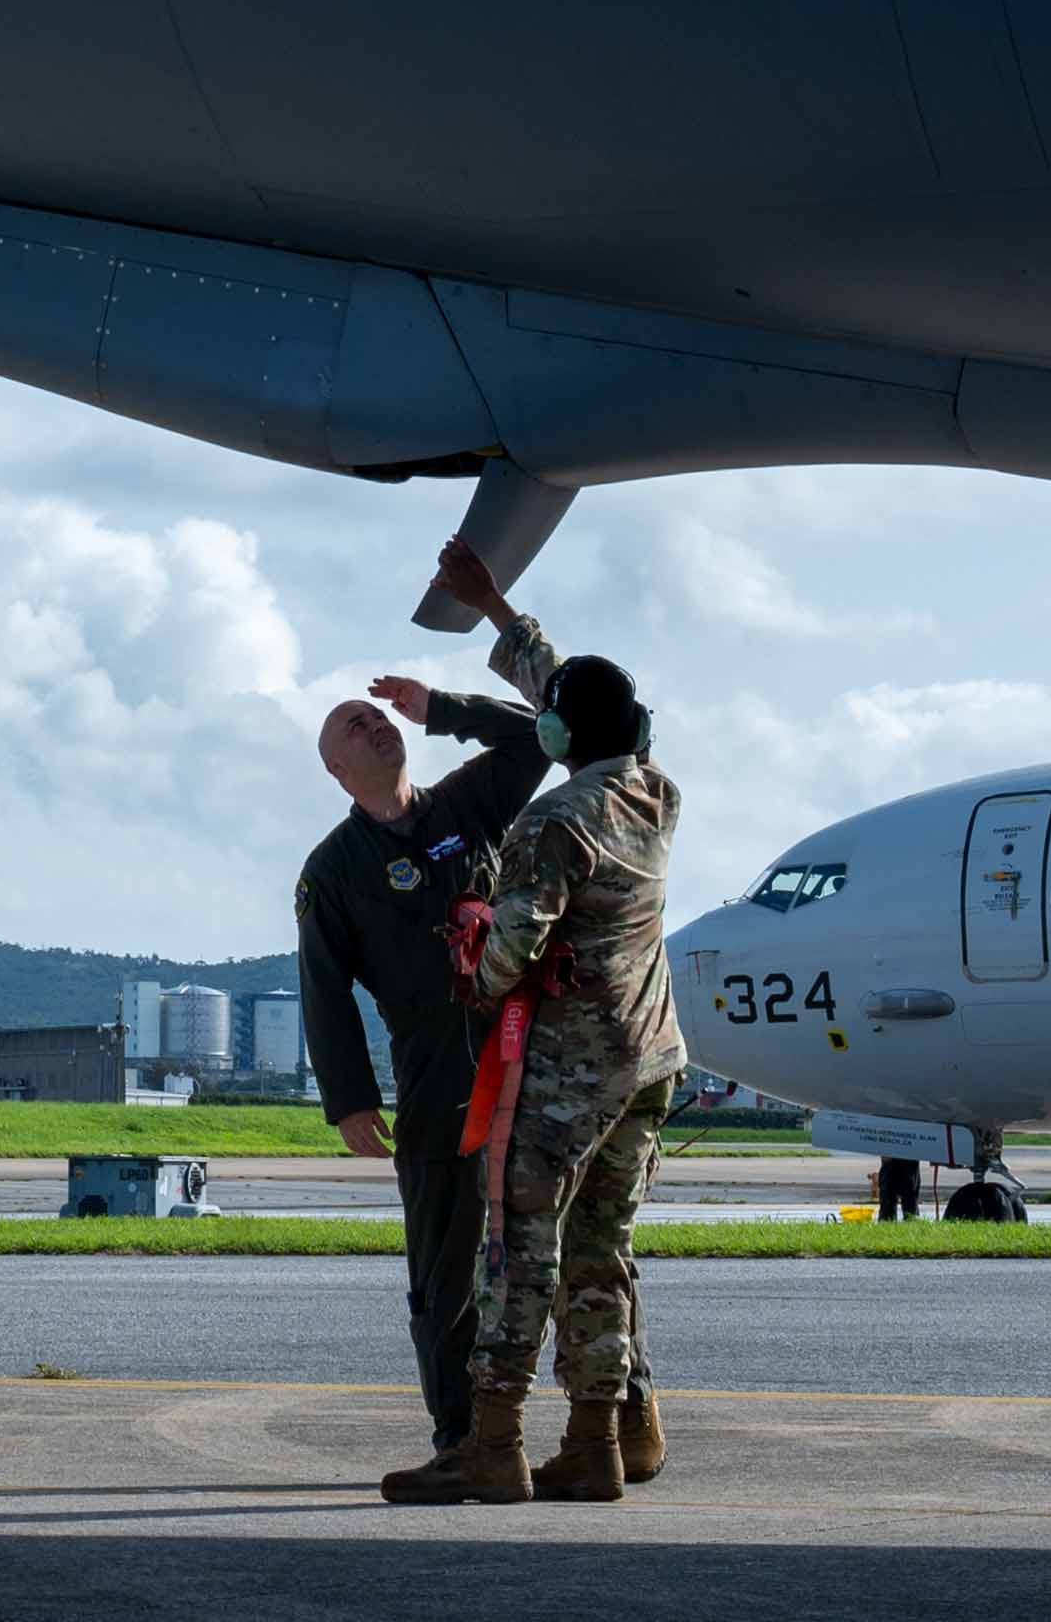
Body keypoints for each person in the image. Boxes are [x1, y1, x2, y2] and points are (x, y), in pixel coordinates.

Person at [380, 544, 684, 1508]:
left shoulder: (554, 823)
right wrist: (497, 607)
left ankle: (496, 1442)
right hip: (651, 1058)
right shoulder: (653, 792)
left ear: (559, 734)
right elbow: (579, 699)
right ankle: (602, 1440)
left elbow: (508, 960)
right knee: (602, 1249)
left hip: (565, 1072)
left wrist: (471, 940)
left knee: (517, 1248)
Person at [290, 670, 548, 1489]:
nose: (373, 727)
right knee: (444, 1265)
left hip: (529, 1050)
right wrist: (351, 1100)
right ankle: (461, 1437)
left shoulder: (464, 805)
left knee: (571, 1247)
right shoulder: (332, 869)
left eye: (375, 717)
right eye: (353, 727)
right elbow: (322, 987)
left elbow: (534, 738)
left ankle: (610, 1424)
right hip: (436, 1071)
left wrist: (442, 709)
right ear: (335, 771)